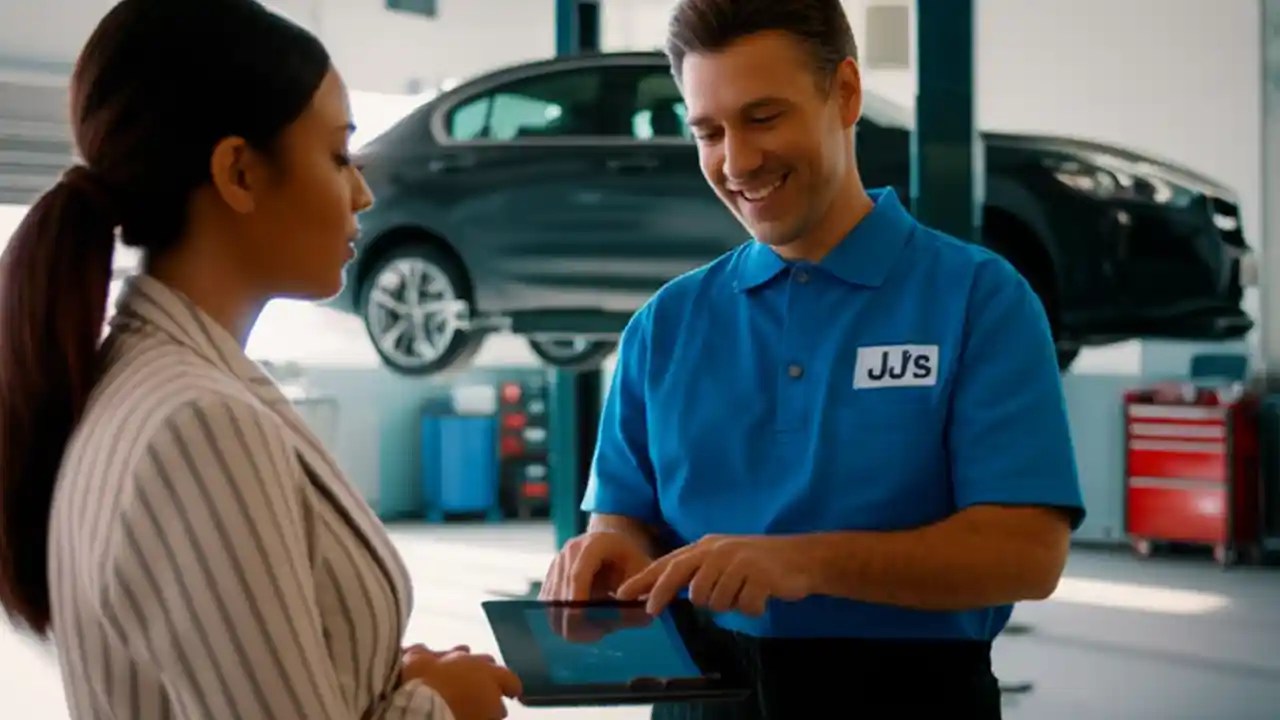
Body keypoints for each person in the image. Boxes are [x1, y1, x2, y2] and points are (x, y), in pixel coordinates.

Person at [539, 0, 1086, 717]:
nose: (737, 162)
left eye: (764, 118)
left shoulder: (978, 300)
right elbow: (623, 523)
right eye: (709, 132)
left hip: (910, 698)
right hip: (701, 698)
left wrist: (801, 562)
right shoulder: (665, 325)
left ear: (846, 93)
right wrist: (606, 557)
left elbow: (1027, 554)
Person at [0, 1, 520, 718]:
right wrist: (443, 706)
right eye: (338, 156)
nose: (362, 192)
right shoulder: (199, 427)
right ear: (239, 173)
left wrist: (385, 679)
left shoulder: (148, 383)